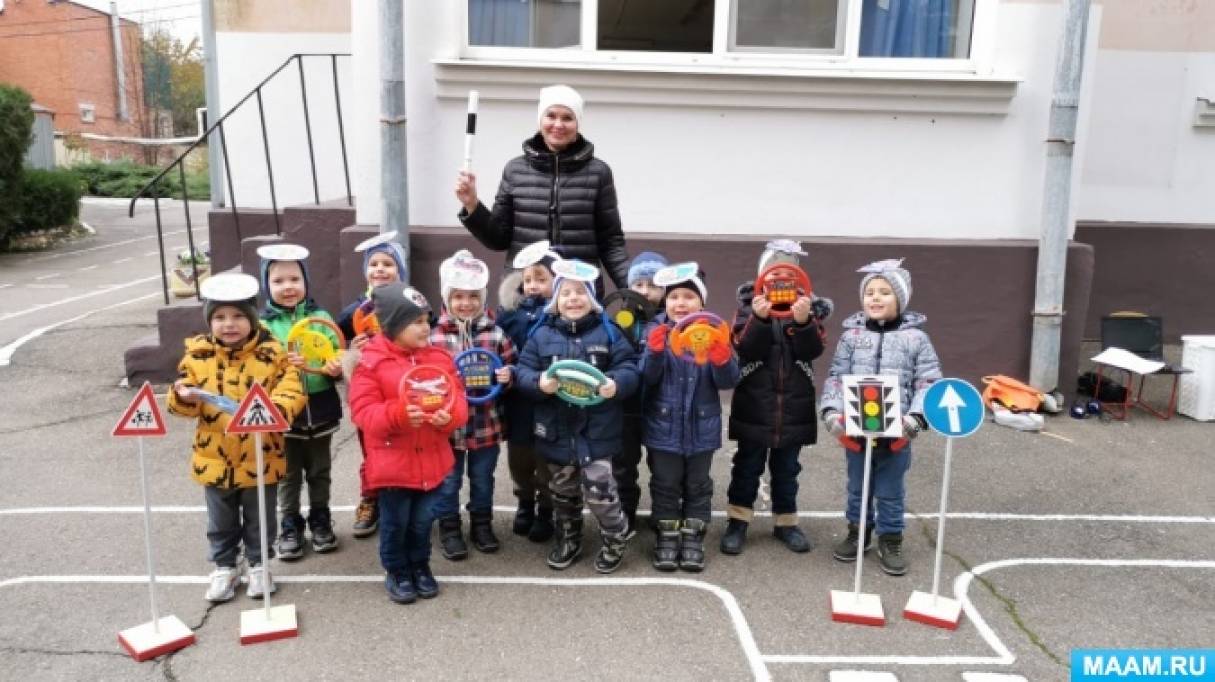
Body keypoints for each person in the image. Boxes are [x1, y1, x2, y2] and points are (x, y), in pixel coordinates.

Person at [167, 273, 306, 603]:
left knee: (261, 517)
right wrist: (183, 398)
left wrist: (275, 410)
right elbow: (183, 401)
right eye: (219, 317)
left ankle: (259, 565)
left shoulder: (274, 355)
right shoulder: (197, 357)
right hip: (214, 457)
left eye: (238, 315)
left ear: (253, 318)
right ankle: (224, 566)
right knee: (220, 520)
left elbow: (292, 391)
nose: (229, 324)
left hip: (262, 456)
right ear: (209, 321)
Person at [514, 260, 640, 573]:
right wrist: (539, 383)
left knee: (601, 493)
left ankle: (615, 536)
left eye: (580, 293)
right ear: (556, 300)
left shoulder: (608, 333)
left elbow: (629, 368)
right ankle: (568, 537)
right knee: (562, 492)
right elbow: (523, 373)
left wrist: (616, 384)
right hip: (557, 432)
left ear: (592, 300)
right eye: (566, 293)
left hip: (597, 433)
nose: (573, 298)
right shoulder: (541, 335)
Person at [820, 258, 941, 576]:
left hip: (897, 432)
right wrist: (833, 412)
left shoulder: (917, 340)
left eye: (885, 292)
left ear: (900, 299)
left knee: (890, 489)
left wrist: (915, 419)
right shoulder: (851, 338)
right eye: (870, 292)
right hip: (857, 431)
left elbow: (927, 383)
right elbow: (836, 377)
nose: (875, 298)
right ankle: (858, 532)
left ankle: (891, 537)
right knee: (858, 486)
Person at [348, 284, 469, 603]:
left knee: (422, 523)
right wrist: (399, 415)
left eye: (426, 320)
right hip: (393, 467)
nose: (425, 327)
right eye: (415, 322)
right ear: (391, 325)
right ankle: (398, 570)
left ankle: (420, 566)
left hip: (433, 462)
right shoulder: (371, 363)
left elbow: (458, 401)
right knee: (396, 524)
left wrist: (451, 417)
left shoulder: (440, 359)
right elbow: (363, 413)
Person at [455, 84, 631, 289]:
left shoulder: (598, 173)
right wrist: (472, 205)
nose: (558, 124)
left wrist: (633, 286)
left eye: (567, 118)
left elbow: (610, 242)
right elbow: (498, 239)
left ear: (578, 124)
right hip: (524, 290)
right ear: (540, 120)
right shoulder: (515, 170)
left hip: (577, 293)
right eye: (551, 116)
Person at [722, 240, 832, 556]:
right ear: (763, 277)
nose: (782, 283)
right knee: (746, 465)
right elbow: (745, 348)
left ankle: (786, 522)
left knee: (787, 469)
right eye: (775, 275)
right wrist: (760, 319)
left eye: (790, 275)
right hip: (754, 405)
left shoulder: (808, 310)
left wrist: (802, 322)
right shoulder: (747, 307)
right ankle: (738, 521)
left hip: (794, 406)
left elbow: (812, 350)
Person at [639, 263, 739, 572]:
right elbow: (646, 378)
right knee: (665, 482)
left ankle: (693, 535)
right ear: (664, 302)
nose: (680, 304)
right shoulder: (655, 331)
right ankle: (667, 534)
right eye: (673, 297)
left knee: (698, 484)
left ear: (702, 303)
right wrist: (653, 353)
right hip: (663, 426)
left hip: (702, 427)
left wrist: (722, 358)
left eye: (688, 297)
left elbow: (728, 380)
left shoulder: (713, 333)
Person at [256, 244, 343, 561]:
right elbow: (258, 369)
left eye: (294, 278)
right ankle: (289, 524)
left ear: (306, 281)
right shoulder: (262, 326)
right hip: (284, 412)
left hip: (320, 408)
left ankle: (320, 518)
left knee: (320, 470)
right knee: (288, 474)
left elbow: (337, 351)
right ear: (267, 286)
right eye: (278, 281)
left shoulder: (321, 318)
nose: (288, 286)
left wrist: (336, 366)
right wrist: (281, 363)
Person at [430, 250, 517, 560]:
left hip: (485, 425)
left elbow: (512, 368)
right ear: (446, 298)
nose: (465, 303)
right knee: (448, 480)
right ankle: (450, 529)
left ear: (482, 298)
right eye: (458, 297)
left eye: (472, 296)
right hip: (447, 428)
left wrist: (508, 376)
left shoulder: (496, 334)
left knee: (483, 479)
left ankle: (482, 525)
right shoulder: (432, 338)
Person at [336, 232, 409, 539]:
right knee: (372, 449)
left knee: (406, 446)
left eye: (388, 264)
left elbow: (424, 338)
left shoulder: (411, 304)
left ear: (400, 271)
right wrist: (353, 347)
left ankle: (407, 500)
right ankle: (371, 498)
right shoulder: (354, 311)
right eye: (374, 264)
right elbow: (334, 348)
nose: (380, 269)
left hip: (403, 389)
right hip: (370, 393)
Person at [495, 241, 560, 543]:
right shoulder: (510, 313)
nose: (533, 286)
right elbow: (496, 347)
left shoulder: (560, 315)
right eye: (528, 279)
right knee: (519, 457)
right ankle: (525, 501)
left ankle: (546, 508)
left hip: (550, 398)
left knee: (546, 457)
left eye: (541, 279)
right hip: (518, 398)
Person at [617, 250, 668, 536]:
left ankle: (664, 516)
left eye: (653, 285)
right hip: (625, 407)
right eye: (639, 285)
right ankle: (625, 513)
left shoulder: (670, 319)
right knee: (623, 464)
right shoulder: (620, 318)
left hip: (660, 404)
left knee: (662, 466)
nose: (645, 292)